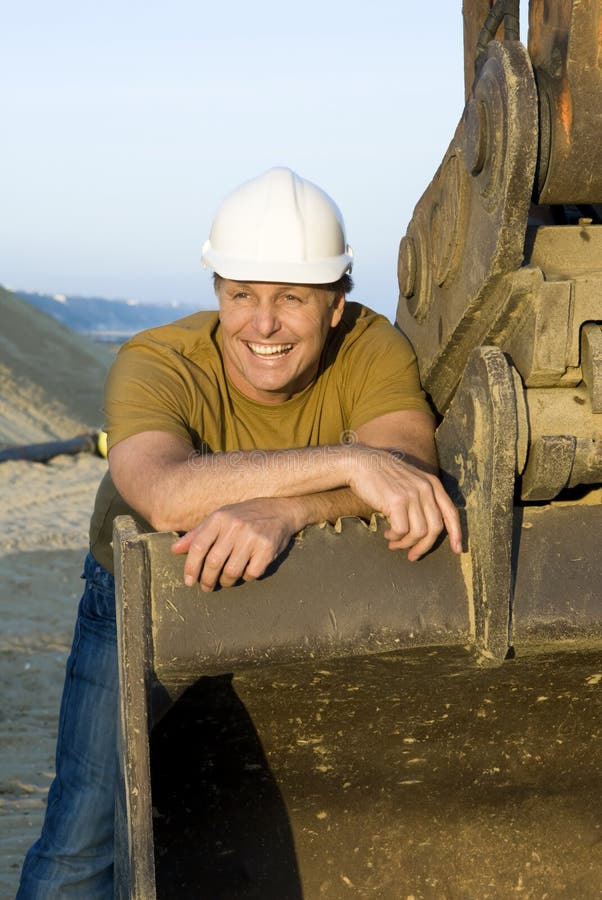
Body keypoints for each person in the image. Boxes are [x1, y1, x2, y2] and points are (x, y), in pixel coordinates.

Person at [17, 166, 462, 898]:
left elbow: (409, 471)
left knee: (268, 806)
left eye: (291, 297)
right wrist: (350, 462)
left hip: (306, 578)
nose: (263, 324)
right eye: (242, 295)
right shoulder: (156, 361)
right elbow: (164, 495)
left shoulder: (372, 348)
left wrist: (291, 510)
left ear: (337, 302)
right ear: (217, 292)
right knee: (87, 833)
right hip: (142, 595)